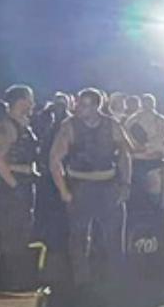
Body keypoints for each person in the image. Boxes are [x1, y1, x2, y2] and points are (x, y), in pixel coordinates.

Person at [50, 88, 133, 290]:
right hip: (80, 186)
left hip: (108, 185)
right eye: (79, 103)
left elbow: (125, 154)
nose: (79, 108)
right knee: (78, 238)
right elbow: (54, 159)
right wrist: (63, 190)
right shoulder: (69, 126)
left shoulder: (111, 125)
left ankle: (115, 281)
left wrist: (126, 184)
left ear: (96, 106)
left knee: (113, 237)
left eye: (85, 104)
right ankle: (82, 284)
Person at [0, 85, 41, 290]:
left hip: (25, 184)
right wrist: (15, 185)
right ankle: (10, 282)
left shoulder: (24, 124)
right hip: (12, 186)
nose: (33, 103)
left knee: (24, 233)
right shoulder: (6, 127)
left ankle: (21, 280)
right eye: (30, 99)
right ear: (21, 100)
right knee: (12, 236)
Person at [125, 93, 164, 195]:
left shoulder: (132, 120)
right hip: (149, 157)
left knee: (145, 187)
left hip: (144, 157)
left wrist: (143, 147)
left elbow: (161, 136)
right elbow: (162, 138)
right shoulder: (161, 120)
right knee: (153, 187)